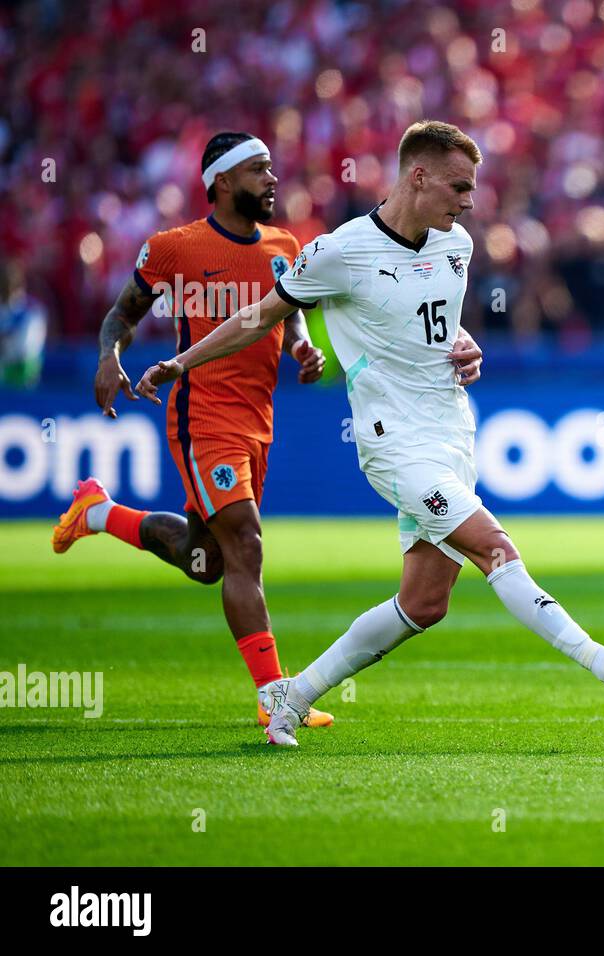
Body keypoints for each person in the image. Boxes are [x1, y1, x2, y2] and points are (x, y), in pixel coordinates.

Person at [135, 120, 604, 746]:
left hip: (452, 432)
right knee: (494, 547)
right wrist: (181, 362)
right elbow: (257, 315)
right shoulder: (340, 252)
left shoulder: (456, 245)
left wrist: (466, 348)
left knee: (423, 604)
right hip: (394, 442)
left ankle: (290, 696)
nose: (469, 200)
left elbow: (433, 332)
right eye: (459, 186)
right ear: (418, 175)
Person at [52, 131, 485, 728]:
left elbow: (293, 308)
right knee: (247, 546)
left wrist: (303, 349)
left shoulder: (286, 245)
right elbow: (125, 312)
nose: (272, 180)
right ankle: (275, 694)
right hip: (202, 415)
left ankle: (97, 512)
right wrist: (109, 356)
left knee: (206, 561)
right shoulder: (173, 248)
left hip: (259, 417)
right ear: (221, 182)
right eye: (258, 170)